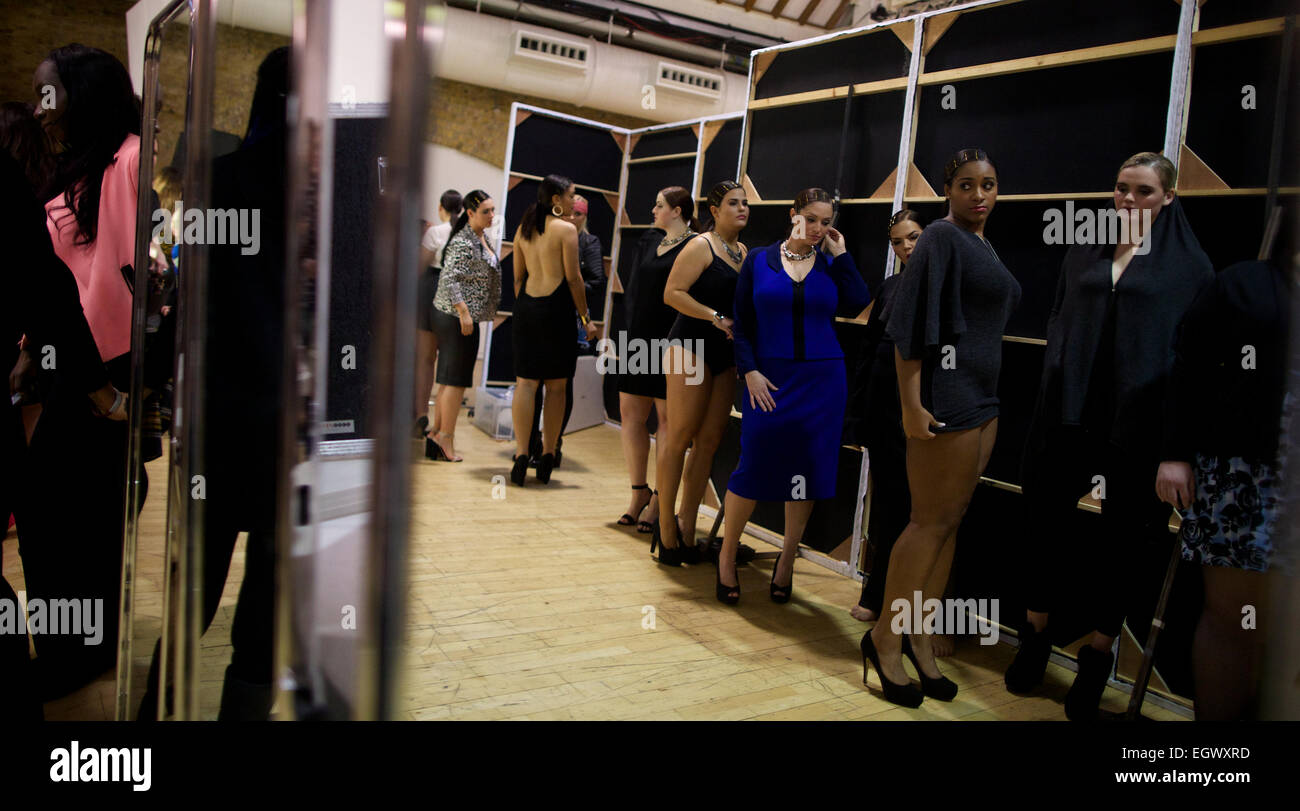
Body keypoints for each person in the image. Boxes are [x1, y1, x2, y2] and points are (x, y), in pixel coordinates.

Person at [1003, 152, 1214, 721]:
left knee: (1123, 543)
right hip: (1067, 415)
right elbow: (1058, 319)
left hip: (1138, 425)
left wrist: (1176, 451)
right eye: (1121, 188)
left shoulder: (1188, 268)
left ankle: (1097, 658)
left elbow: (1192, 363)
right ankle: (1036, 637)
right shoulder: (1085, 247)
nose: (1128, 200)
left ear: (1167, 197)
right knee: (1044, 524)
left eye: (1144, 191)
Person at [137, 47, 292, 720]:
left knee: (197, 583)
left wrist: (157, 383)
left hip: (224, 411)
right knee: (267, 597)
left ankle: (152, 715)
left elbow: (190, 300)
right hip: (295, 426)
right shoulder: (338, 197)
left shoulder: (219, 180)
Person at [862, 148, 1021, 708]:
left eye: (990, 185)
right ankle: (884, 636)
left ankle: (920, 638)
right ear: (949, 191)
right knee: (927, 524)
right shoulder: (939, 238)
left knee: (948, 527)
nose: (980, 195)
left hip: (983, 400)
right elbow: (907, 328)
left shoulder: (980, 241)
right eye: (968, 186)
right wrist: (910, 404)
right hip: (945, 400)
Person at [20, 44, 142, 697]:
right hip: (64, 359)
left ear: (82, 94)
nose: (42, 107)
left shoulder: (125, 159)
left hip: (102, 366)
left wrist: (115, 387)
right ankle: (71, 646)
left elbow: (128, 278)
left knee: (73, 517)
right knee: (52, 516)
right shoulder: (74, 168)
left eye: (50, 93)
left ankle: (82, 651)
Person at [1163, 231, 1292, 720]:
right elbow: (1188, 366)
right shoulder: (1244, 284)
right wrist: (1174, 452)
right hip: (1248, 473)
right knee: (1235, 620)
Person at [719, 188, 871, 603]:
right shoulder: (759, 259)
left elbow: (859, 301)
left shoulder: (829, 263)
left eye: (826, 221)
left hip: (823, 382)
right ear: (793, 215)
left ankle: (787, 560)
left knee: (804, 472)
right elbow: (743, 322)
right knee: (752, 466)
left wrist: (841, 256)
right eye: (812, 219)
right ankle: (727, 556)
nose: (819, 228)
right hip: (767, 378)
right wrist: (748, 370)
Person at [651, 180, 748, 565]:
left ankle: (688, 526)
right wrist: (714, 316)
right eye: (733, 203)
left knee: (709, 441)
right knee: (679, 436)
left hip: (725, 354)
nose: (742, 209)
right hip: (688, 346)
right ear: (714, 210)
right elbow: (672, 293)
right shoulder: (700, 245)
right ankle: (665, 525)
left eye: (745, 203)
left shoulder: (745, 253)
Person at [846, 209, 924, 622]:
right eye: (897, 241)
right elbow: (867, 354)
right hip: (880, 409)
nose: (906, 247)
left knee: (918, 511)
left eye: (913, 237)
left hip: (918, 414)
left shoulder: (939, 284)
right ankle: (875, 592)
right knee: (887, 505)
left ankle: (903, 603)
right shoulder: (891, 285)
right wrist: (858, 417)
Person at [613, 187, 696, 532]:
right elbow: (633, 290)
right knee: (631, 416)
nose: (653, 209)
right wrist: (626, 338)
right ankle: (638, 492)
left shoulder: (696, 244)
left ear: (677, 211)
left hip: (675, 342)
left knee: (667, 423)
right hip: (637, 339)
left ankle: (661, 500)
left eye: (659, 205)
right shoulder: (648, 240)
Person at [508, 174, 598, 485]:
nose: (575, 200)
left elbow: (518, 278)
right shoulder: (566, 230)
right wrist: (587, 320)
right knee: (557, 388)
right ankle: (547, 453)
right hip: (557, 312)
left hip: (527, 310)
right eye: (572, 195)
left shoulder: (524, 229)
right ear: (556, 199)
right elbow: (574, 279)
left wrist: (525, 308)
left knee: (526, 384)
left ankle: (521, 453)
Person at [527, 193, 606, 467]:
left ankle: (554, 441)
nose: (574, 218)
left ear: (586, 217)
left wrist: (568, 281)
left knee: (562, 385)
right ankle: (531, 441)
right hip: (543, 314)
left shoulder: (589, 242)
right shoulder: (548, 234)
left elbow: (596, 283)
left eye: (579, 214)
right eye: (571, 213)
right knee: (532, 383)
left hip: (571, 318)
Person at [425, 190, 500, 462]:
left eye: (493, 210)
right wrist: (464, 311)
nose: (491, 216)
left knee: (448, 379)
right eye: (486, 211)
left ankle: (436, 433)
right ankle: (446, 438)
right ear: (469, 213)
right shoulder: (465, 240)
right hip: (457, 317)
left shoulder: (480, 236)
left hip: (456, 316)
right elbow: (449, 277)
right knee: (455, 381)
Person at [414, 189, 461, 438]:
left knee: (424, 360)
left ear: (440, 207)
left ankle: (421, 413)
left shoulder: (435, 232)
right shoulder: (465, 232)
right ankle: (442, 424)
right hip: (455, 295)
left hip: (430, 290)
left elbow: (419, 266)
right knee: (448, 362)